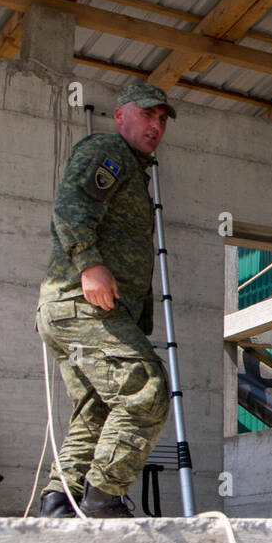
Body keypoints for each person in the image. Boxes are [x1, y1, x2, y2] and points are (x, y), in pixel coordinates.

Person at [35, 80, 176, 518]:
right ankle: (102, 501)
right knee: (145, 387)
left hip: (74, 310)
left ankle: (60, 502)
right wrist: (89, 263)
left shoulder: (131, 168)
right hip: (82, 304)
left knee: (98, 408)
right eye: (146, 114)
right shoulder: (109, 152)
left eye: (161, 119)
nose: (155, 126)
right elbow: (71, 203)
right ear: (120, 116)